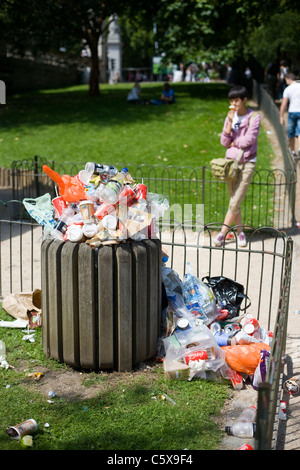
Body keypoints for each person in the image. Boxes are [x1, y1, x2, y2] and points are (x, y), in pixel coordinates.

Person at [214, 85, 261, 247]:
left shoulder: (254, 117)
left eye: (237, 100)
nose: (234, 103)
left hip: (247, 163)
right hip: (231, 164)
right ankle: (240, 233)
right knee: (235, 201)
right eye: (231, 101)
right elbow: (224, 142)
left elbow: (249, 140)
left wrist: (233, 143)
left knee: (234, 202)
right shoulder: (230, 117)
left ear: (244, 100)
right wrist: (228, 126)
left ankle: (222, 233)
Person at [279, 73, 300, 158]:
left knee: (291, 133)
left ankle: (292, 151)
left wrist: (281, 116)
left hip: (292, 112)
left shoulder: (287, 89)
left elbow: (284, 104)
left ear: (288, 79)